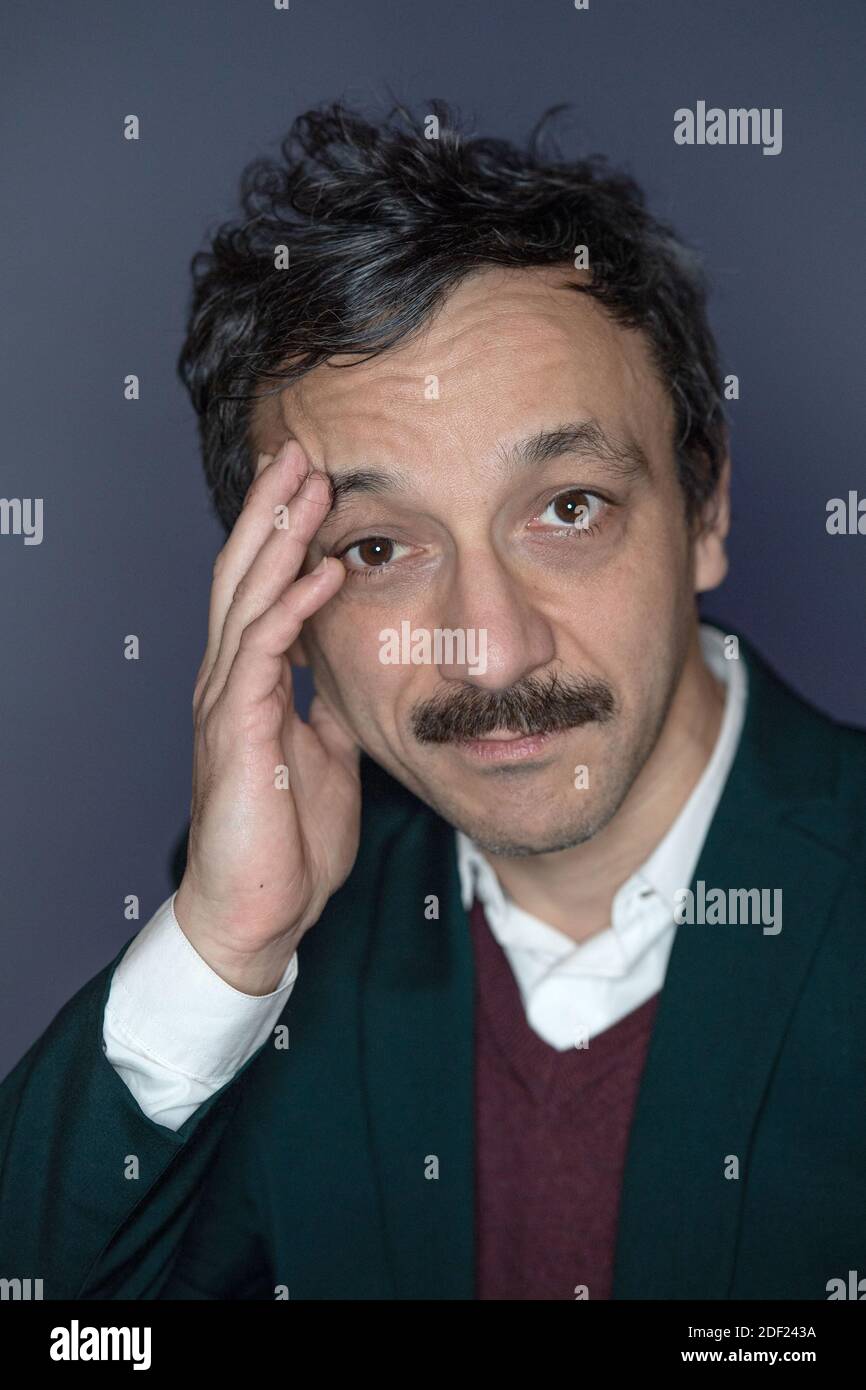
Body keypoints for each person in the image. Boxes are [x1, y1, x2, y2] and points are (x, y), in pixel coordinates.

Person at [1, 100, 864, 1302]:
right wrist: (220, 949)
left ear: (703, 508)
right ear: (280, 597)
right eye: (375, 548)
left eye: (566, 508)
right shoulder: (288, 926)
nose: (490, 652)